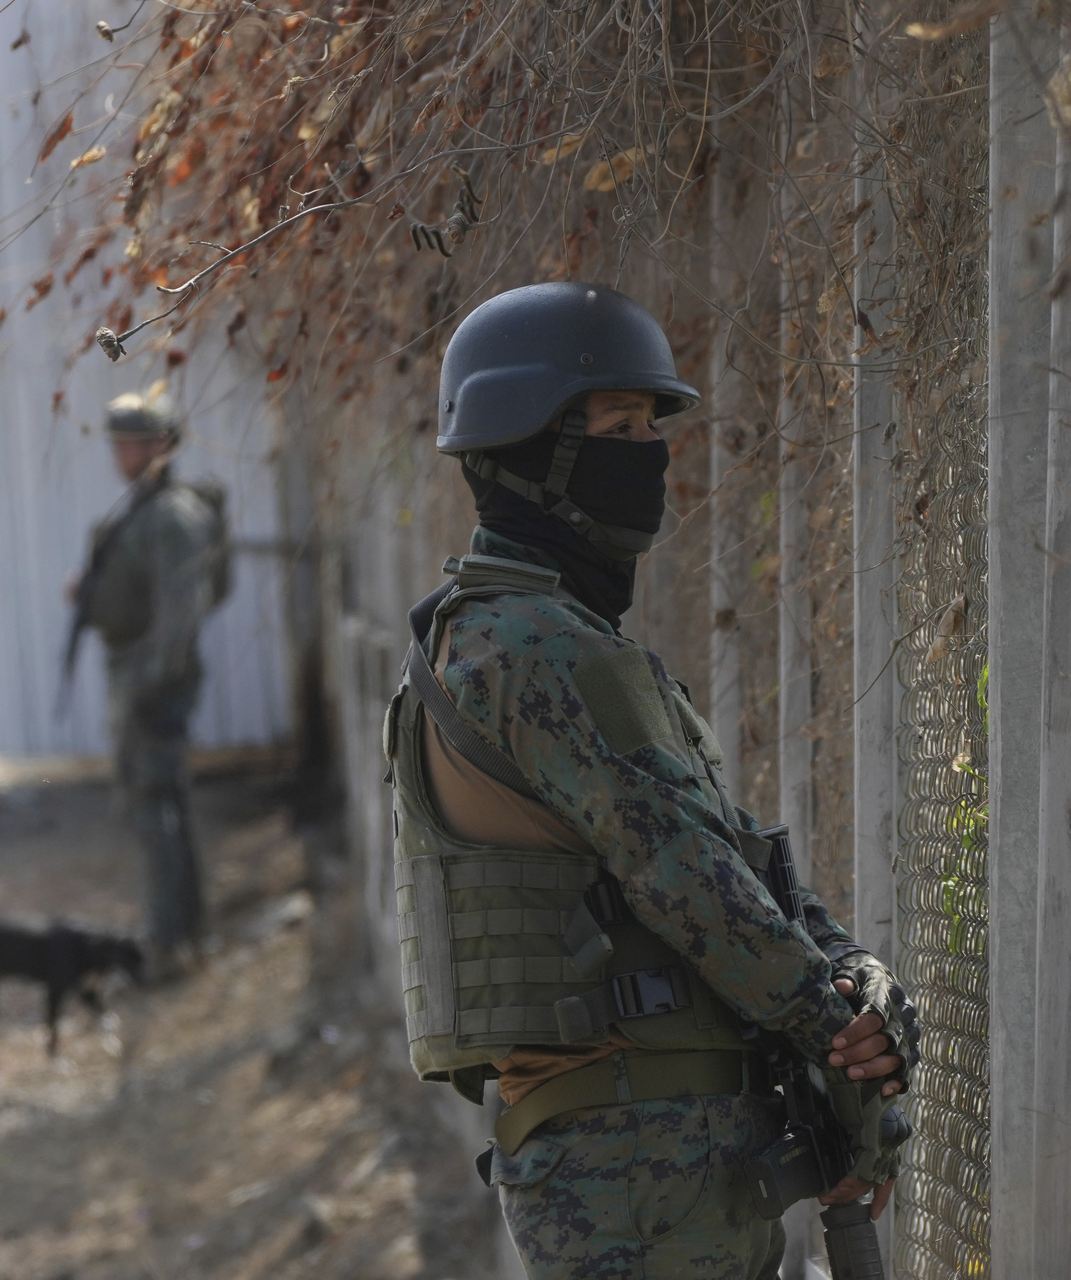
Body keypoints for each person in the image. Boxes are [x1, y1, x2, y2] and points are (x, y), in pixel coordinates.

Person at [384, 283, 920, 1278]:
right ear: (537, 446)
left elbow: (738, 855)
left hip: (656, 1156)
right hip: (636, 1163)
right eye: (622, 425)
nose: (652, 451)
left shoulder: (547, 638)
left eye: (648, 424)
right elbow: (688, 877)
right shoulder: (531, 649)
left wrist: (850, 976)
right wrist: (840, 1035)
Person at [68, 385, 230, 978]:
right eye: (119, 443)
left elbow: (181, 615)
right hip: (140, 677)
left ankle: (168, 945)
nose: (122, 454)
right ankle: (181, 934)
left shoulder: (170, 516)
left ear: (163, 445)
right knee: (156, 804)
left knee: (155, 807)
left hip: (153, 685)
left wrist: (148, 685)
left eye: (134, 443)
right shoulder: (144, 508)